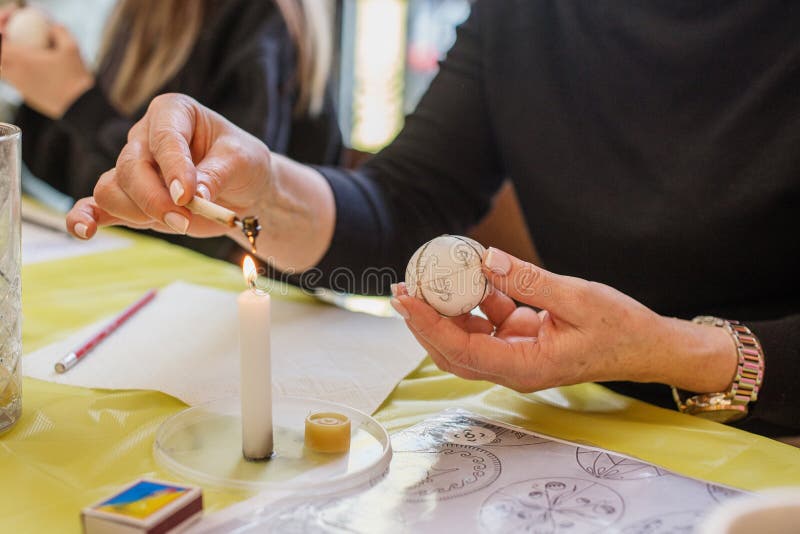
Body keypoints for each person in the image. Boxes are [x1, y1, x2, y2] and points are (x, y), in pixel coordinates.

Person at [65, 2, 799, 437]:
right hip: (580, 423)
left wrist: (681, 354)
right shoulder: (525, 16)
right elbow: (404, 206)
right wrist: (263, 189)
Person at [1, 0, 341, 260]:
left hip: (246, 291)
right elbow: (86, 176)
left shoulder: (260, 17)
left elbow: (220, 217)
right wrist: (44, 89)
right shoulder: (147, 10)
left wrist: (77, 101)